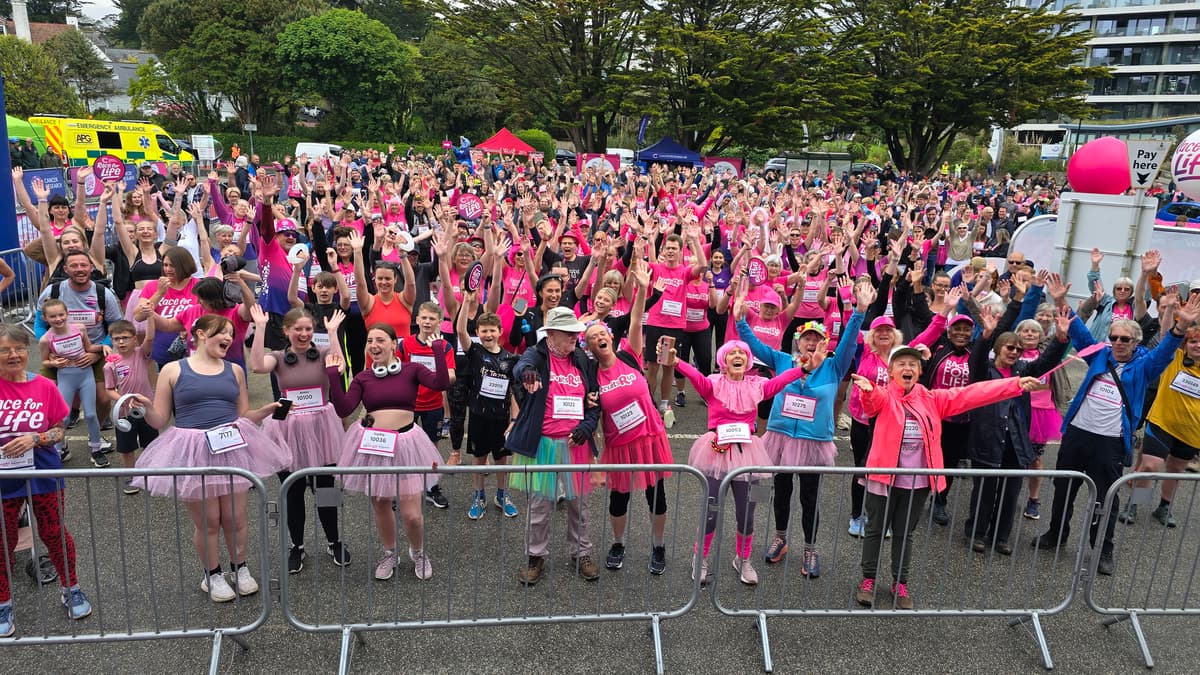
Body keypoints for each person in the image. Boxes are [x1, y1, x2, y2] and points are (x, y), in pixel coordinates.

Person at [850, 344, 1045, 609]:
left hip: (917, 482)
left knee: (904, 534)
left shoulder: (932, 399)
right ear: (891, 370)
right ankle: (868, 580)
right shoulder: (883, 396)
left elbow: (973, 393)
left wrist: (1015, 384)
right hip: (882, 479)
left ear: (919, 371)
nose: (907, 368)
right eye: (901, 364)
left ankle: (900, 581)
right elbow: (872, 404)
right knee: (874, 531)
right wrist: (869, 390)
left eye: (912, 365)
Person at [1033, 274, 1200, 576]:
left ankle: (1104, 548)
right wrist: (1059, 300)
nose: (1118, 343)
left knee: (1105, 497)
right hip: (1078, 434)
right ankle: (1055, 533)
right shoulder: (1099, 353)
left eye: (1124, 339)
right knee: (1063, 488)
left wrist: (1180, 326)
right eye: (1114, 338)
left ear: (1135, 341)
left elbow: (1164, 352)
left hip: (1110, 441)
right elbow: (1079, 331)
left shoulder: (1145, 364)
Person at [130, 314, 291, 602]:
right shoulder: (172, 369)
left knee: (236, 517)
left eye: (231, 334)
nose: (229, 338)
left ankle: (240, 568)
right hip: (193, 449)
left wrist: (266, 410)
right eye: (222, 333)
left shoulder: (234, 370)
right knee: (209, 521)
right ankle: (212, 574)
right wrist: (144, 407)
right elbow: (159, 420)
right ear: (201, 334)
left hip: (231, 445)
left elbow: (244, 415)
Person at [741, 282, 872, 576]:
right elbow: (755, 346)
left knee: (809, 497)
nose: (811, 343)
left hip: (813, 442)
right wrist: (739, 321)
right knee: (782, 491)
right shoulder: (784, 360)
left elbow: (851, 341)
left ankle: (811, 548)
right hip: (783, 438)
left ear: (825, 343)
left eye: (817, 339)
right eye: (806, 338)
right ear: (798, 342)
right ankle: (781, 538)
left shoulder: (834, 366)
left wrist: (858, 312)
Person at [671, 338, 809, 586]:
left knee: (748, 513)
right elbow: (694, 375)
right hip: (716, 453)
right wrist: (677, 361)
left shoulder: (758, 385)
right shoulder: (713, 384)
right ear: (723, 360)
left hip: (750, 455)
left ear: (747, 360)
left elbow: (780, 381)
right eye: (732, 352)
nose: (738, 355)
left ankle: (743, 559)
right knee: (711, 511)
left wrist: (804, 369)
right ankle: (699, 558)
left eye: (742, 353)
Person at [325, 323, 451, 582]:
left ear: (394, 344)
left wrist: (438, 350)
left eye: (380, 340)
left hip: (406, 444)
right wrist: (333, 375)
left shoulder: (411, 369)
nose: (374, 345)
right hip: (375, 444)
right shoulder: (363, 378)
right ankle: (389, 552)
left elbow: (439, 383)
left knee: (412, 515)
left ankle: (418, 551)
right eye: (370, 340)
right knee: (381, 503)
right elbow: (344, 408)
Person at [0, 324, 93, 636]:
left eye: (18, 348)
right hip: (3, 478)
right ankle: (3, 603)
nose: (13, 355)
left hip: (42, 472)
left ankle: (72, 588)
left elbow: (59, 430)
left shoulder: (43, 386)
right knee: (3, 539)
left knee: (54, 532)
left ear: (28, 352)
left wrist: (35, 438)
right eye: (4, 350)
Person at [583, 261, 674, 574]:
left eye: (601, 332)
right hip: (620, 446)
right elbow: (591, 416)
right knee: (618, 501)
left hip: (650, 438)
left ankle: (658, 545)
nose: (599, 337)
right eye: (593, 337)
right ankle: (618, 542)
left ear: (609, 334)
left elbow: (636, 319)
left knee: (657, 497)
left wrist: (644, 290)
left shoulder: (628, 354)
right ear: (590, 347)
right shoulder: (591, 377)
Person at [249, 306, 351, 574]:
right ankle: (297, 546)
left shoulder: (324, 353)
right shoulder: (280, 357)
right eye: (298, 329)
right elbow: (257, 366)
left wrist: (331, 334)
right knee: (293, 492)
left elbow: (339, 367)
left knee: (326, 489)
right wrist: (260, 327)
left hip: (321, 428)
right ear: (287, 331)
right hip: (288, 429)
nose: (304, 334)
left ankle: (334, 540)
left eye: (308, 329)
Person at [964, 304, 1071, 555]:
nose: (1014, 352)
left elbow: (1046, 362)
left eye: (1018, 349)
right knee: (985, 491)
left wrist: (1059, 339)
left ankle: (1001, 536)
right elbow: (975, 359)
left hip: (1015, 440)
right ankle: (976, 533)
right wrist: (986, 335)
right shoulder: (984, 372)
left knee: (1010, 492)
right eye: (1010, 347)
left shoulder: (1023, 370)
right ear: (998, 348)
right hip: (987, 439)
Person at [507, 307, 602, 586]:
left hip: (576, 445)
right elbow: (521, 366)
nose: (575, 337)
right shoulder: (536, 355)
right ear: (550, 334)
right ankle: (535, 556)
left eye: (576, 333)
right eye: (568, 333)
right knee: (540, 506)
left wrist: (586, 427)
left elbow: (594, 401)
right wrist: (527, 376)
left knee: (580, 505)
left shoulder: (581, 358)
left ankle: (581, 552)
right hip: (545, 444)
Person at [1120, 323, 1200, 527]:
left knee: (1175, 470)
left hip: (1192, 431)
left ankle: (1164, 506)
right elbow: (1166, 336)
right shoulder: (1176, 359)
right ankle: (1136, 503)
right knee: (1150, 466)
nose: (1197, 345)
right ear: (1186, 344)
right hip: (1161, 423)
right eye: (1193, 341)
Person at [454, 291, 520, 520]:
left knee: (502, 459)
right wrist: (466, 301)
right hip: (479, 416)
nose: (488, 334)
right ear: (478, 333)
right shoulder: (475, 352)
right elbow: (460, 330)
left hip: (501, 418)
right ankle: (478, 495)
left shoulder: (511, 359)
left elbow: (513, 392)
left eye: (493, 330)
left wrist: (514, 419)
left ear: (501, 332)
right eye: (484, 331)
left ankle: (502, 495)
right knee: (479, 457)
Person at [38, 299, 107, 467]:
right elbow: (44, 361)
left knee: (90, 414)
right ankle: (61, 449)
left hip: (85, 375)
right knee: (64, 417)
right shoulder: (46, 339)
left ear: (67, 314)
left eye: (61, 314)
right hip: (65, 377)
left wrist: (104, 348)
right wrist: (53, 364)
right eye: (53, 316)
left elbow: (89, 348)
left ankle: (96, 449)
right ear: (46, 318)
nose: (59, 319)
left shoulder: (79, 328)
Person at [102, 320, 157, 493]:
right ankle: (130, 476)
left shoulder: (141, 353)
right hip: (124, 413)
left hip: (146, 409)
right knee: (127, 448)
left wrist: (150, 317)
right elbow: (109, 390)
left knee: (150, 444)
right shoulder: (110, 365)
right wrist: (125, 400)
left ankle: (151, 473)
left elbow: (150, 338)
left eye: (125, 338)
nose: (121, 342)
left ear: (134, 339)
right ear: (111, 340)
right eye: (116, 339)